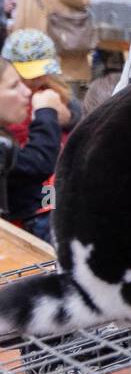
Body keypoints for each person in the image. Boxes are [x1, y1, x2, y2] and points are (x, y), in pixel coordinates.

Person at [0, 29, 74, 242]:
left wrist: (67, 116)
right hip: (31, 206)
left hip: (53, 191)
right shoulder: (13, 114)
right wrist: (46, 115)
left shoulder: (49, 90)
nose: (37, 80)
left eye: (43, 71)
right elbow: (37, 163)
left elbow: (72, 110)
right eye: (17, 83)